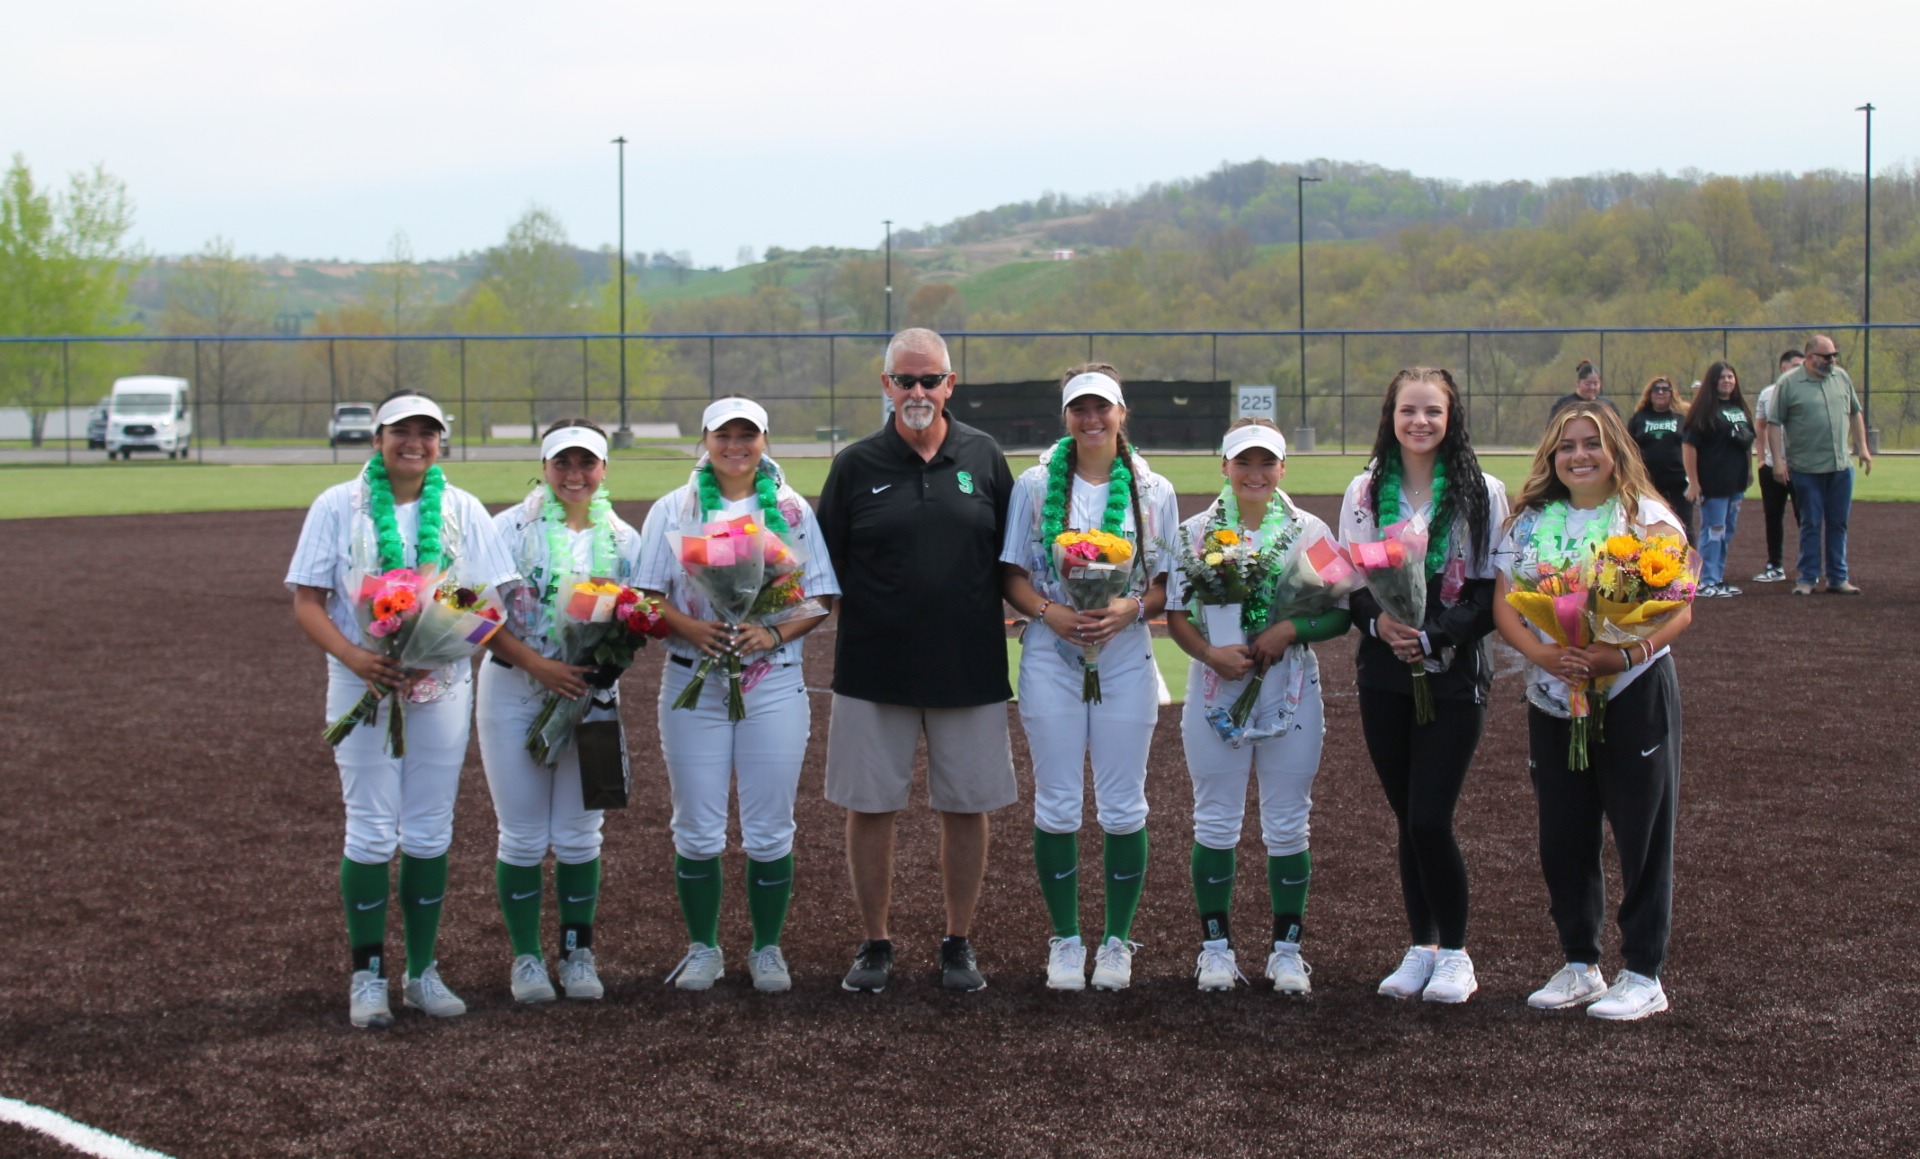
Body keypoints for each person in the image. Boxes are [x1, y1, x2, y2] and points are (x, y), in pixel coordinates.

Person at [287, 390, 520, 1028]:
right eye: (401, 431)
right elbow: (308, 601)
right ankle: (367, 974)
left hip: (440, 684)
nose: (414, 442)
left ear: (440, 441)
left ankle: (422, 971)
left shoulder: (463, 509)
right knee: (368, 827)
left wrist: (437, 637)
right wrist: (359, 657)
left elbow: (487, 604)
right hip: (362, 680)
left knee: (428, 827)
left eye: (427, 432)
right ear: (378, 438)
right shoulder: (339, 505)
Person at [817, 328, 1017, 994]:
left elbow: (1013, 559)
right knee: (869, 806)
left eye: (930, 379)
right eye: (905, 380)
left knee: (967, 806)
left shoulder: (985, 458)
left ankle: (958, 940)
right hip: (875, 670)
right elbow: (827, 568)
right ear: (885, 386)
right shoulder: (854, 465)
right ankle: (875, 941)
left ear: (951, 384)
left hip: (970, 667)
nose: (918, 392)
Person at [1493, 402, 1693, 1021]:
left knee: (1641, 833)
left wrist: (1622, 652)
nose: (1579, 456)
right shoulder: (1527, 524)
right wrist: (1545, 655)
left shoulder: (1648, 518)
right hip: (1553, 695)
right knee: (1564, 834)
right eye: (1566, 446)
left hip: (1632, 694)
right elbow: (1505, 605)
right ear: (1552, 457)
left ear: (1616, 452)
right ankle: (1580, 962)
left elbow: (1680, 607)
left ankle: (1643, 972)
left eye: (1592, 444)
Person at [635, 397, 839, 992]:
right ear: (706, 438)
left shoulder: (793, 509)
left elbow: (819, 597)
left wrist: (768, 630)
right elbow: (645, 594)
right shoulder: (675, 507)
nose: (736, 446)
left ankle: (767, 948)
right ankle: (703, 948)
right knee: (696, 825)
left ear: (765, 441)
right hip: (691, 676)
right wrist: (693, 627)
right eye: (725, 434)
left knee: (770, 826)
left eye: (748, 435)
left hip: (772, 678)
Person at [1000, 365, 1178, 991]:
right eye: (1080, 410)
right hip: (1051, 650)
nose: (1091, 420)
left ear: (1122, 413)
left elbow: (1163, 584)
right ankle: (1066, 939)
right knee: (1056, 803)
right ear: (1067, 418)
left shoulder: (1152, 489)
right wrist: (1051, 612)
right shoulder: (1034, 484)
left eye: (1102, 409)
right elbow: (1013, 573)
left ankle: (1117, 941)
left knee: (1125, 805)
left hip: (1125, 653)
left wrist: (1129, 608)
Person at [1338, 368, 1508, 1004]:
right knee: (1407, 818)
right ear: (1390, 416)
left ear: (1451, 417)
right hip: (1383, 673)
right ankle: (1421, 945)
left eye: (1433, 411)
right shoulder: (1364, 489)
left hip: (1454, 673)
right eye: (1409, 410)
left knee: (1432, 818)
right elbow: (1349, 583)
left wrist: (1435, 636)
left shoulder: (1481, 491)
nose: (1420, 422)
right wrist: (1382, 624)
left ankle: (1457, 952)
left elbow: (1492, 592)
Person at [1166, 419, 1351, 993]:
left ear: (1282, 469)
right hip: (1216, 687)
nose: (1254, 474)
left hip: (1290, 687)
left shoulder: (1310, 529)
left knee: (1289, 823)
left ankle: (1286, 950)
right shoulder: (1194, 532)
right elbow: (1175, 615)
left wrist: (1291, 628)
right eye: (1243, 463)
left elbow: (1343, 613)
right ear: (1223, 467)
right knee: (1216, 820)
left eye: (1266, 463)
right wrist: (1208, 652)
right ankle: (1215, 948)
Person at [476, 420, 642, 1005]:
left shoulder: (624, 539)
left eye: (586, 464)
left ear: (604, 470)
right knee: (521, 836)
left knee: (579, 834)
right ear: (543, 468)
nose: (575, 476)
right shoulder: (506, 528)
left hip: (590, 694)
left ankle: (577, 952)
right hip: (514, 686)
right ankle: (526, 958)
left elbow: (641, 617)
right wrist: (538, 665)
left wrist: (604, 666)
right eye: (562, 464)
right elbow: (466, 608)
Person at [1767, 335, 1872, 596]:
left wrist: (1863, 448)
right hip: (1806, 469)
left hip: (1840, 467)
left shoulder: (1841, 377)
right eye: (1827, 356)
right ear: (1811, 357)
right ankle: (1807, 578)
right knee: (1811, 523)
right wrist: (1778, 461)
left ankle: (1838, 578)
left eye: (1834, 355)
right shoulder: (1789, 383)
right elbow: (1773, 423)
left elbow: (1854, 412)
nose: (1832, 360)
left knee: (1838, 523)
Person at [1682, 362, 1756, 598]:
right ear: (1713, 382)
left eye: (1731, 377)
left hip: (1735, 483)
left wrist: (1748, 473)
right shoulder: (1705, 410)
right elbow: (1689, 445)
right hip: (1713, 483)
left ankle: (1717, 577)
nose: (1727, 381)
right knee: (1713, 531)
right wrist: (1693, 482)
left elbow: (1746, 442)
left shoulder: (1739, 407)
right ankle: (1706, 581)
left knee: (1727, 531)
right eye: (1722, 377)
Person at [1749, 350, 1802, 583]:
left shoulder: (1808, 392)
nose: (1799, 369)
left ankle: (1808, 567)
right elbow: (1760, 426)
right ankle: (1774, 565)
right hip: (1772, 466)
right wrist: (1761, 459)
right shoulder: (1768, 393)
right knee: (1773, 516)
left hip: (1801, 467)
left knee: (1806, 518)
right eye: (1795, 365)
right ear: (1783, 368)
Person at [1627, 377, 1691, 539]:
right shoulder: (1639, 417)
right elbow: (1629, 447)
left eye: (1665, 389)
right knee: (1649, 525)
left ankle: (1687, 562)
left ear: (1672, 393)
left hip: (1678, 484)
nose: (1661, 392)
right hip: (1648, 484)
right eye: (1656, 389)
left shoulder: (1680, 417)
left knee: (1684, 527)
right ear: (1650, 394)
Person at [1550, 360, 1619, 419]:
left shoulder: (1607, 405)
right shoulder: (1564, 404)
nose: (1592, 387)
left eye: (1595, 384)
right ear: (1577, 382)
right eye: (1588, 384)